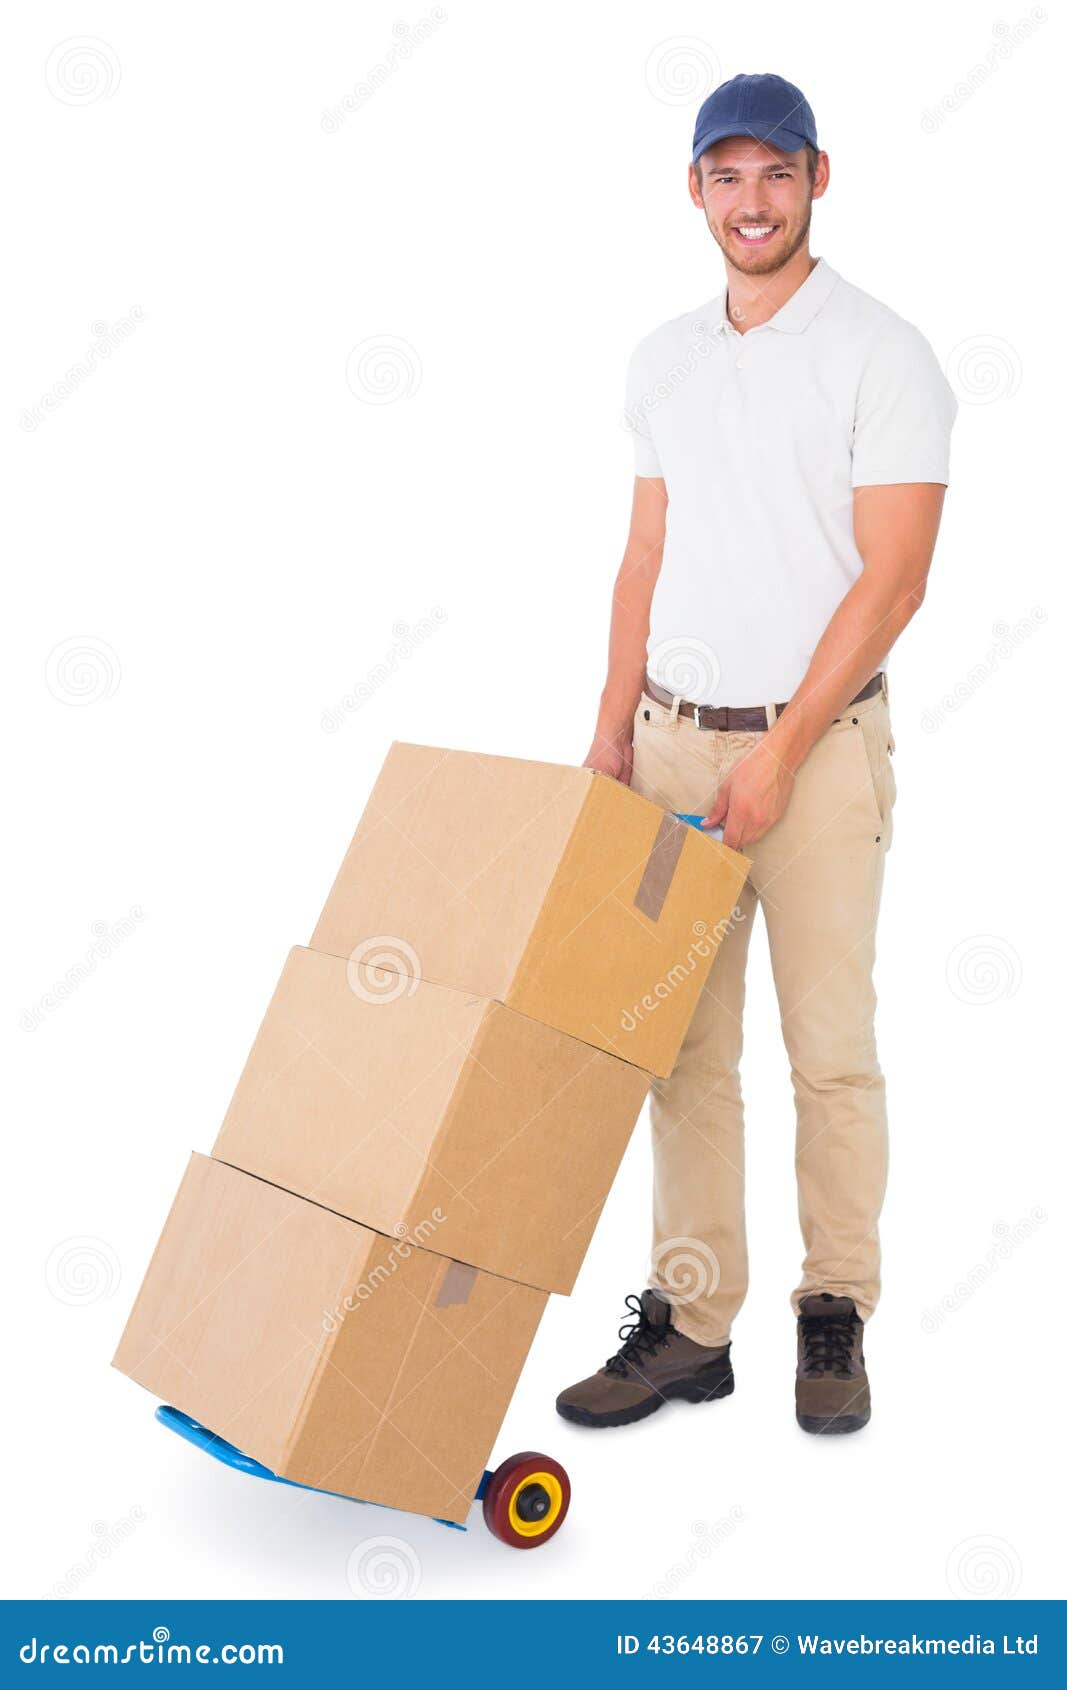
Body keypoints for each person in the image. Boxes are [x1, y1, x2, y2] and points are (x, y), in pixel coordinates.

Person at [556, 73, 957, 1436]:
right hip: (673, 749)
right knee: (677, 1052)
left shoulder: (882, 352)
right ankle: (693, 1319)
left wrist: (782, 752)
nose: (750, 201)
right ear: (694, 191)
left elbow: (894, 579)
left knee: (830, 1048)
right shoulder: (662, 357)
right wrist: (613, 726)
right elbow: (646, 554)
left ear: (818, 180)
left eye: (773, 174)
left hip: (821, 758)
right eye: (725, 176)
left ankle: (833, 1306)